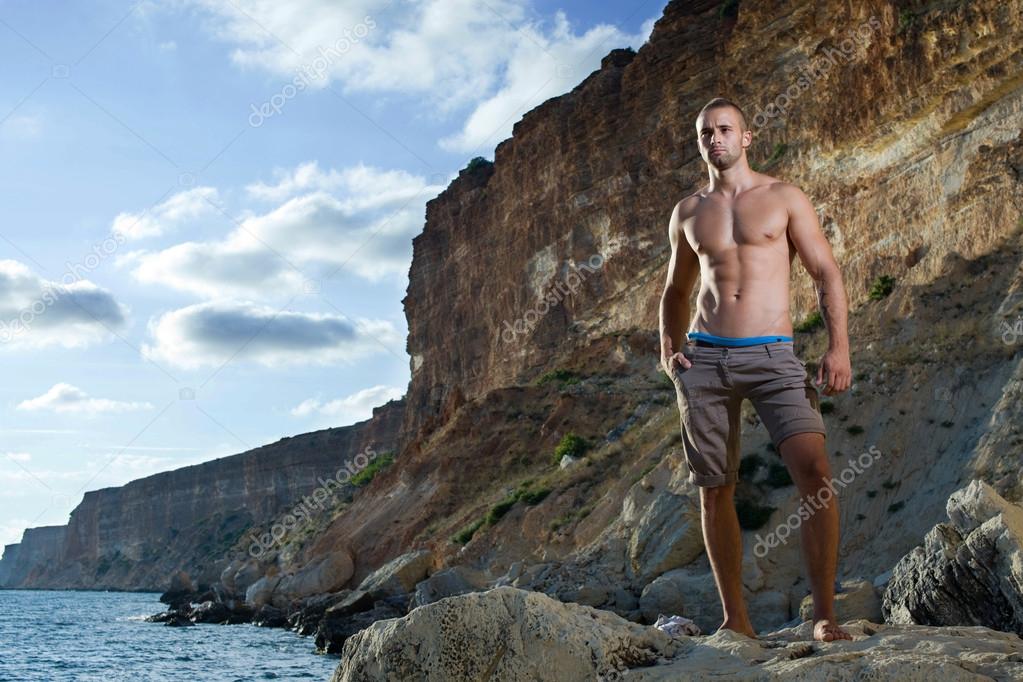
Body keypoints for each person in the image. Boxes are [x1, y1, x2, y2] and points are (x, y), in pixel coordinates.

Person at [658, 96, 853, 643]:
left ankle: (824, 615)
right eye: (704, 133)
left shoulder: (784, 197)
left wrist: (839, 348)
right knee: (715, 487)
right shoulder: (690, 211)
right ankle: (735, 620)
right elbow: (676, 289)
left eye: (724, 129)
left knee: (814, 473)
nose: (714, 139)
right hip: (706, 358)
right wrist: (668, 347)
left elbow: (826, 273)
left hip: (773, 356)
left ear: (746, 137)